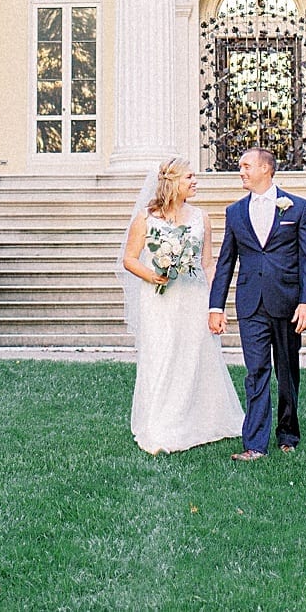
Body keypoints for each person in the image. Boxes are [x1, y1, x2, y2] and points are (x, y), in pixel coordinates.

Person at [118, 158, 245, 454]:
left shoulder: (202, 217)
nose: (195, 182)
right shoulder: (146, 219)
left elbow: (208, 263)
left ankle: (202, 419)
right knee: (162, 355)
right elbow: (130, 259)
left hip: (194, 296)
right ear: (173, 182)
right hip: (160, 298)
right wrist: (154, 275)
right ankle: (162, 423)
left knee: (195, 355)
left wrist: (215, 304)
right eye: (190, 177)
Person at [207, 146, 306, 460]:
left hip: (286, 302)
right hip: (251, 303)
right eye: (240, 166)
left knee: (286, 372)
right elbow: (226, 262)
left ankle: (287, 433)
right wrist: (216, 306)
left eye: (246, 166)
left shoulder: (297, 207)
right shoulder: (235, 212)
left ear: (266, 169)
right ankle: (254, 444)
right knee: (255, 371)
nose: (240, 171)